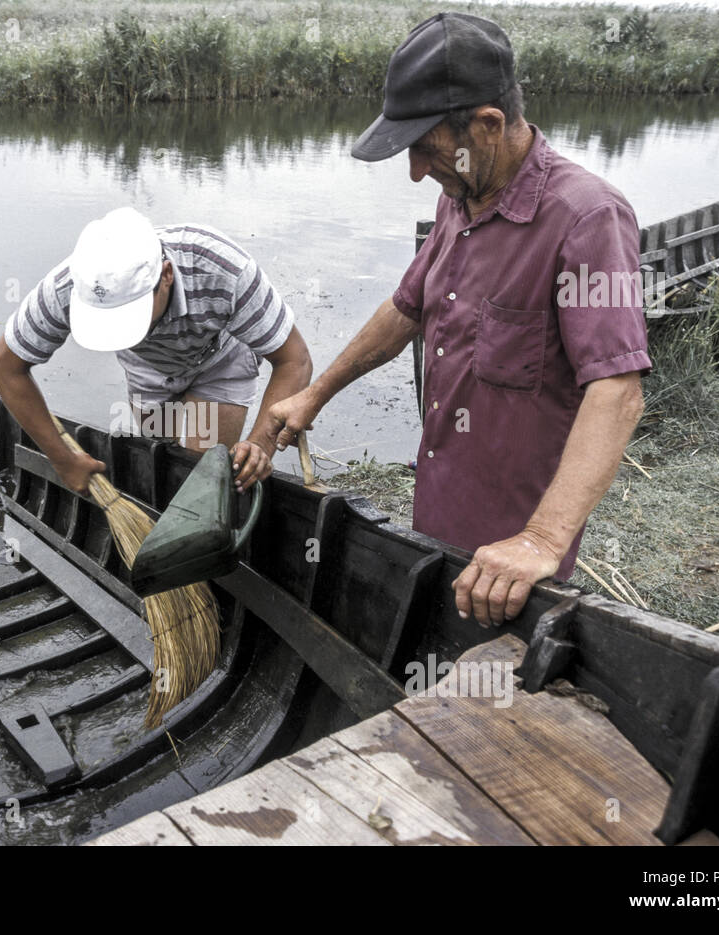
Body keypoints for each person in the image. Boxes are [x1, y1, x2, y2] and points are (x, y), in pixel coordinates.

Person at [269, 12, 650, 628]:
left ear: (489, 124)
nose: (417, 170)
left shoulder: (587, 218)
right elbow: (405, 309)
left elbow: (617, 389)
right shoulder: (459, 200)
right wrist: (316, 393)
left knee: (493, 694)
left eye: (425, 148)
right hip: (439, 498)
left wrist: (543, 541)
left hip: (512, 550)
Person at [0, 206, 312, 496]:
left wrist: (260, 444)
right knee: (160, 458)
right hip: (148, 366)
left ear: (166, 276)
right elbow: (6, 367)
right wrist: (63, 459)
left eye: (129, 315)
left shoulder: (222, 269)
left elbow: (293, 360)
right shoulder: (67, 287)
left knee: (205, 479)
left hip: (219, 359)